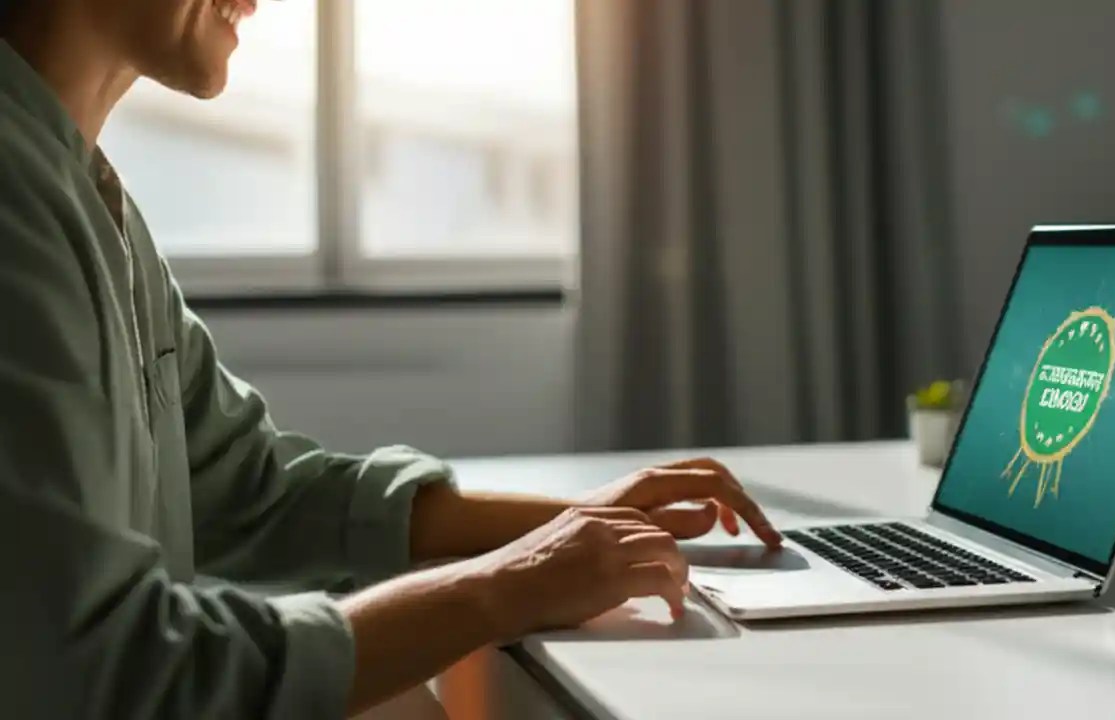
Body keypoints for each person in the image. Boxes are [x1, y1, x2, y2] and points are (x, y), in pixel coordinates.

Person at [0, 0, 783, 717]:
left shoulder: (83, 193)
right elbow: (101, 671)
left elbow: (255, 493)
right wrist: (501, 588)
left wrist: (579, 525)